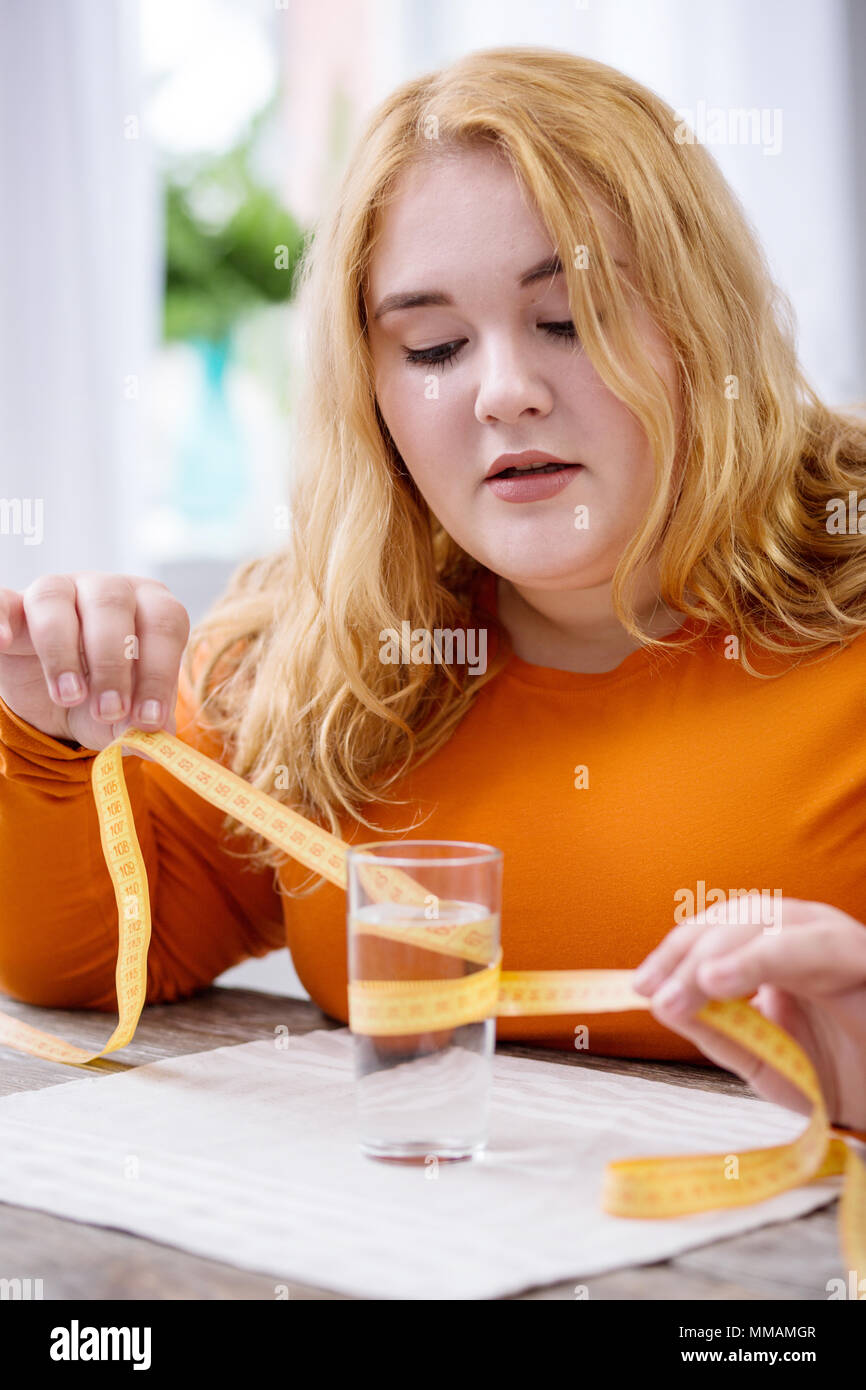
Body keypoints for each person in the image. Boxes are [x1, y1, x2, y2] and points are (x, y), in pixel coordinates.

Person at [1, 47, 865, 1132]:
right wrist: (48, 737)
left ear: (705, 324)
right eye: (434, 346)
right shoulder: (315, 654)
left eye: (569, 319)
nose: (504, 392)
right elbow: (88, 963)